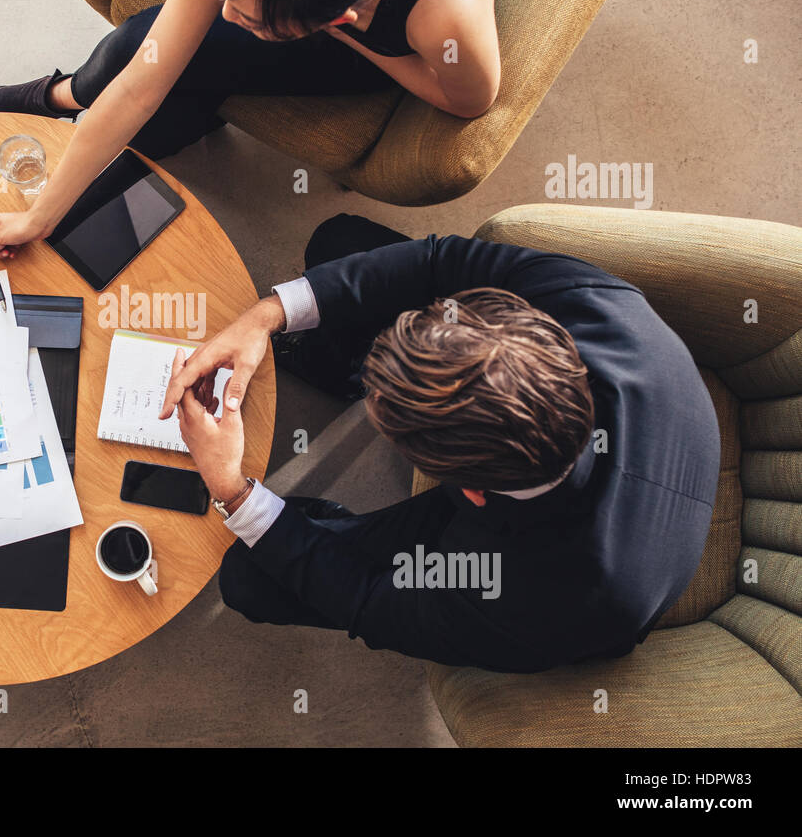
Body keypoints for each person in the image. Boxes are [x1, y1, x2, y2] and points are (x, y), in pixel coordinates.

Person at [161, 215, 719, 673]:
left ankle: (328, 519)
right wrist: (265, 317)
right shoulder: (596, 304)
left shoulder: (542, 600)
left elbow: (369, 604)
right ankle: (338, 373)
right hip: (573, 475)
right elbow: (440, 260)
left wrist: (231, 490)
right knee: (340, 242)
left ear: (468, 492)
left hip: (534, 560)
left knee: (251, 578)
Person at [0, 0, 499, 260]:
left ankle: (167, 123)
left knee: (164, 114)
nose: (224, 17)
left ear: (332, 19)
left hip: (365, 48)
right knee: (135, 47)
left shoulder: (447, 11)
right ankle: (61, 95)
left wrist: (356, 40)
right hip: (313, 4)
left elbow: (467, 100)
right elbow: (140, 85)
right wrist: (40, 217)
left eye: (249, 18)